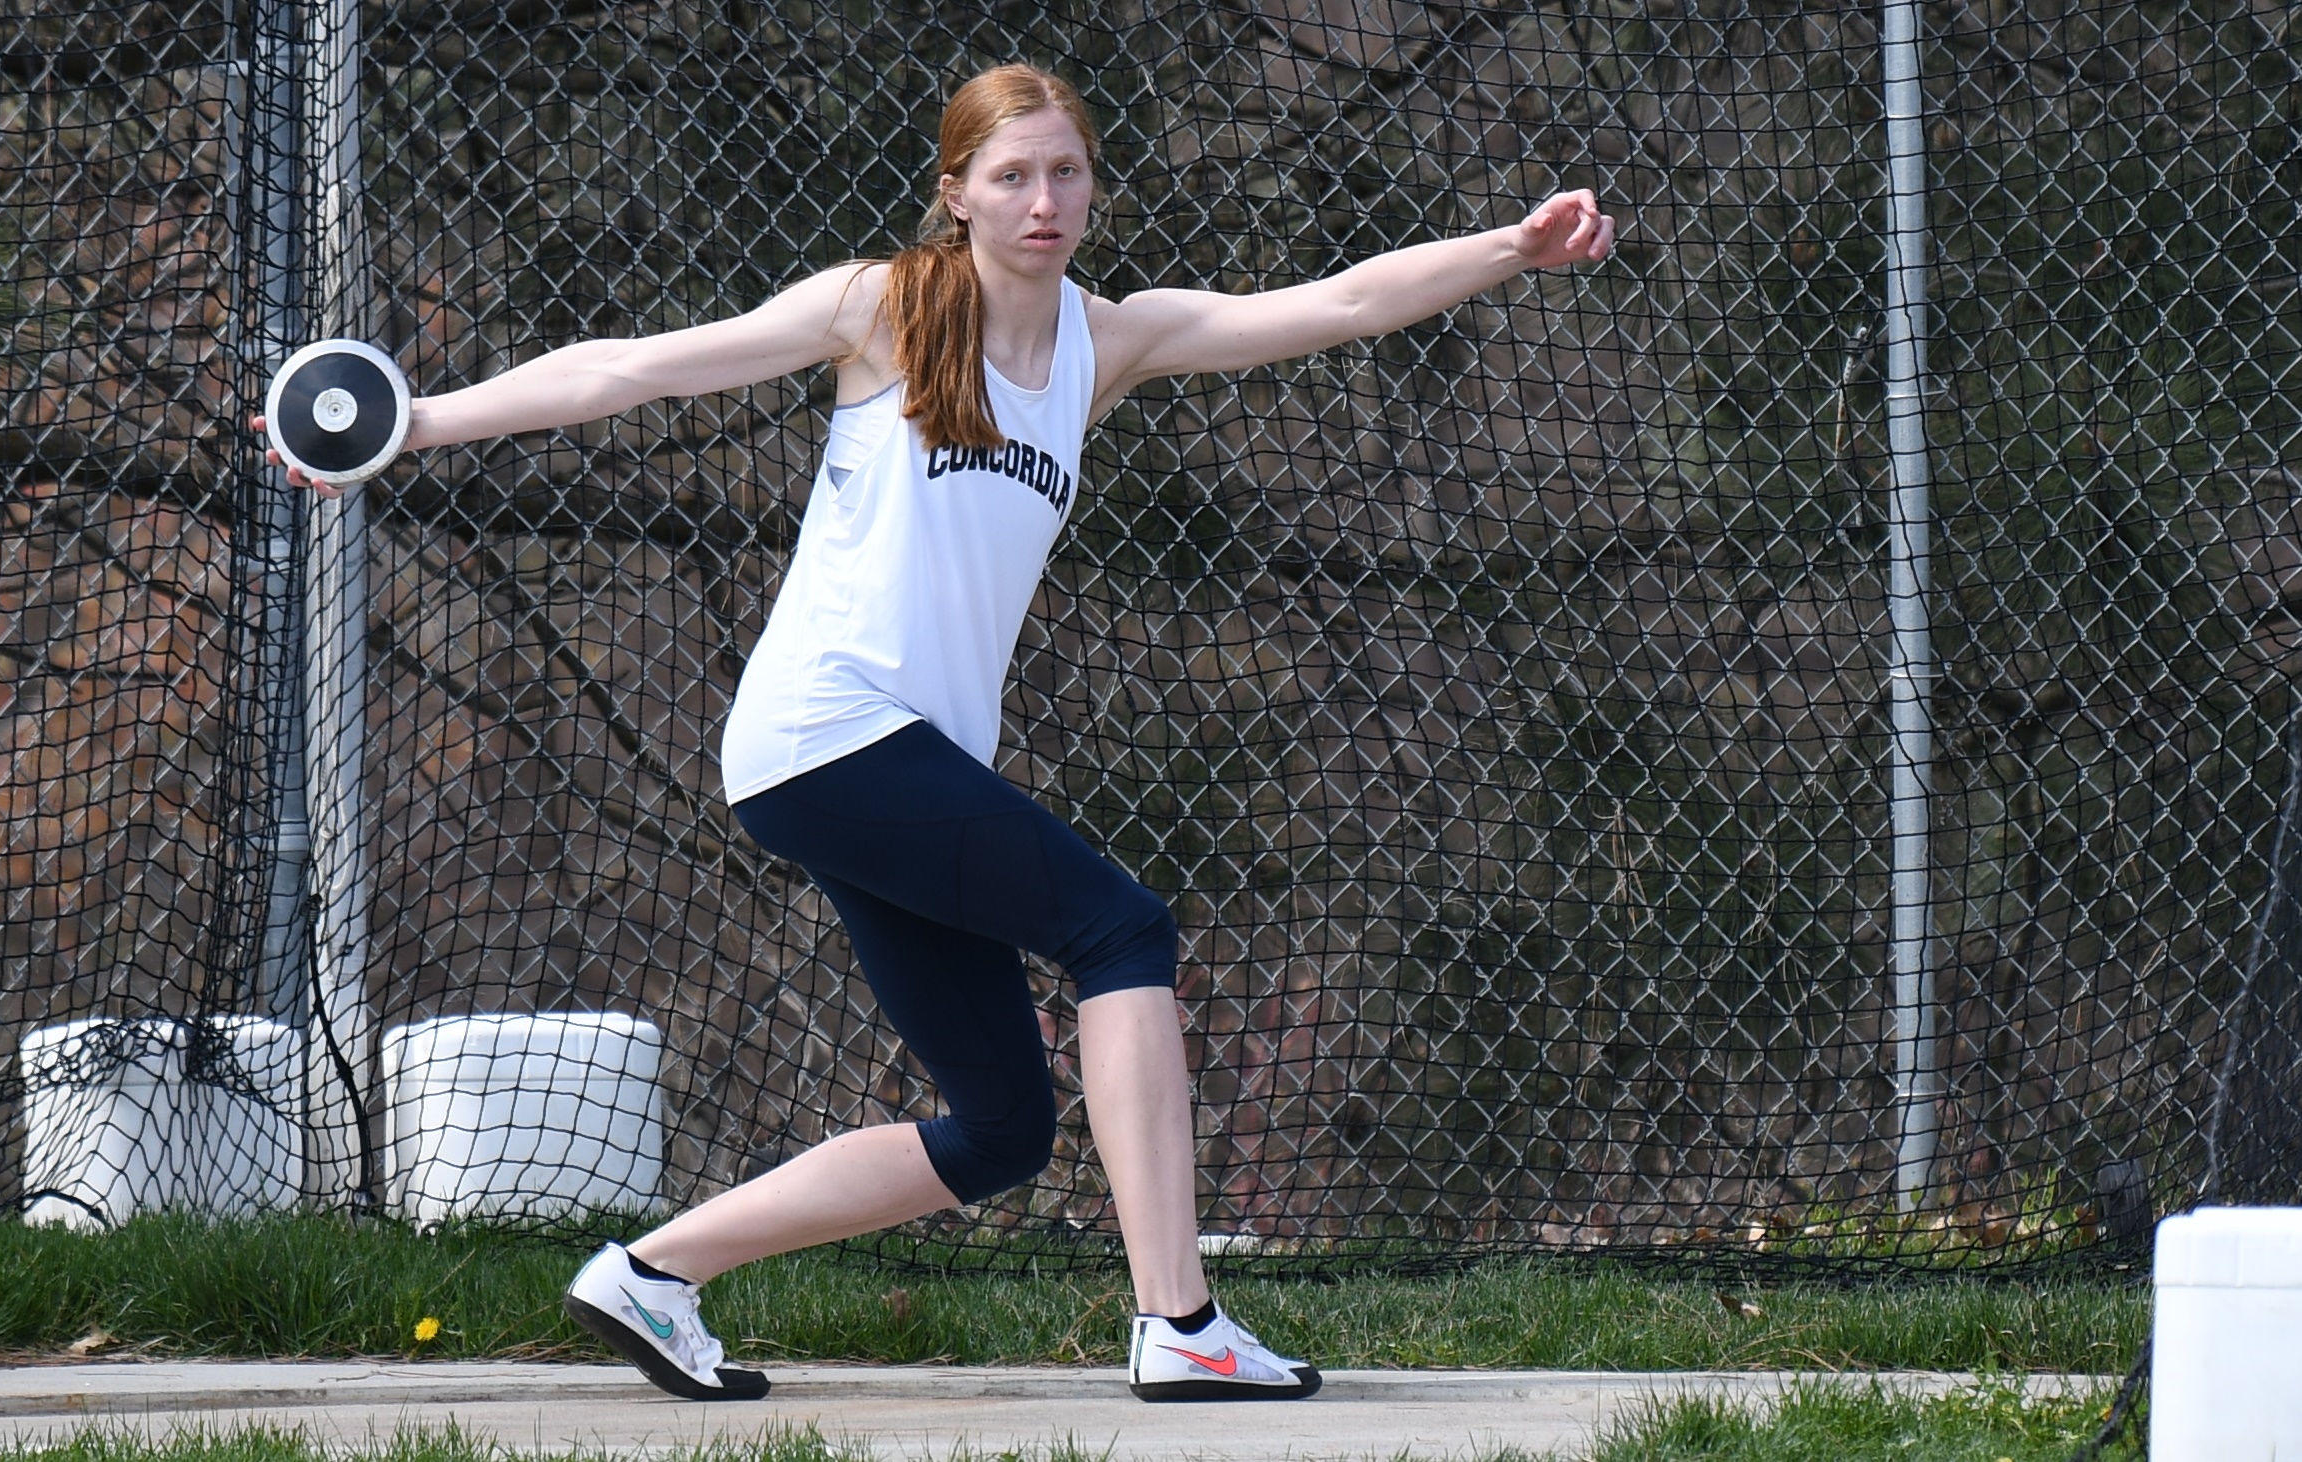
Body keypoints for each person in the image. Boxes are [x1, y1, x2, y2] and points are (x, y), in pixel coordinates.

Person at [259, 61, 1613, 1404]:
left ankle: (652, 1273)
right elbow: (639, 369)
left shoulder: (1108, 340)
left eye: (1065, 171)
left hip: (887, 765)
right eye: (1011, 175)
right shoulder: (885, 308)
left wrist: (1513, 246)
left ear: (1091, 187)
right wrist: (417, 421)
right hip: (830, 730)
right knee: (1121, 929)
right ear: (956, 192)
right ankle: (1182, 1318)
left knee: (1003, 1128)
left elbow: (1340, 302)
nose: (1043, 200)